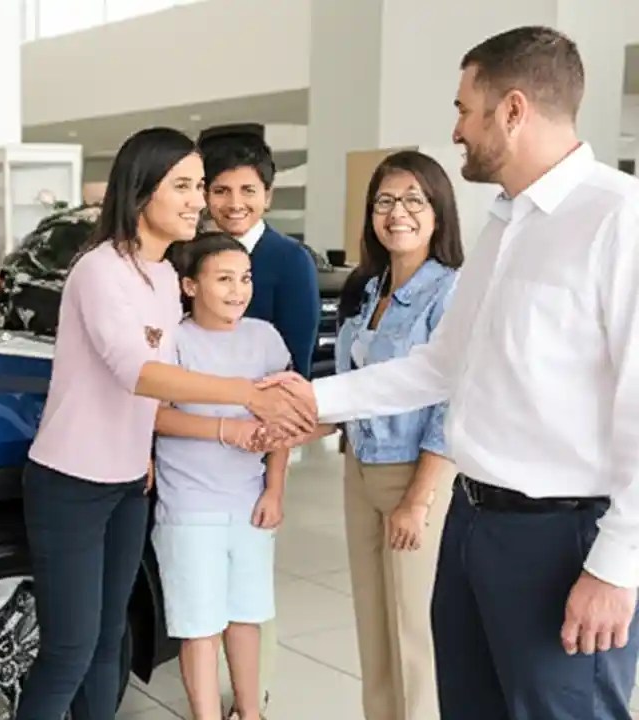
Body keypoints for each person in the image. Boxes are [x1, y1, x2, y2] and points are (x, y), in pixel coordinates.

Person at [272, 26, 639, 719]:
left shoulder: (618, 219)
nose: (457, 128)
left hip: (563, 539)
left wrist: (617, 568)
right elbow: (441, 366)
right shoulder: (506, 222)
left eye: (465, 109)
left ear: (513, 110)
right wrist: (312, 396)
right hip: (471, 525)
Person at [17, 127, 314, 720]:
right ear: (140, 191)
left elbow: (149, 395)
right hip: (71, 482)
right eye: (183, 186)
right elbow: (139, 373)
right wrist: (246, 397)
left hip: (129, 483)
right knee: (69, 651)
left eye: (198, 187)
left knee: (108, 644)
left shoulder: (160, 277)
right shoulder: (100, 271)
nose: (198, 201)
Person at [333, 150, 464, 720]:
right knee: (374, 628)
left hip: (416, 478)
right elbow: (355, 386)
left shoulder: (452, 291)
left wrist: (418, 499)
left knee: (415, 635)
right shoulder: (369, 290)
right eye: (385, 201)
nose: (397, 213)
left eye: (414, 200)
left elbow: (452, 403)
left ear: (438, 213)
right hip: (360, 466)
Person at [152, 232, 293, 720]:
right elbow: (154, 416)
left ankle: (250, 713)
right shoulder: (173, 340)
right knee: (200, 625)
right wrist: (226, 430)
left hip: (249, 501)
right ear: (190, 286)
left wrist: (275, 488)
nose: (238, 290)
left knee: (247, 616)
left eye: (245, 278)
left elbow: (285, 422)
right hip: (189, 506)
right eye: (224, 279)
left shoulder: (265, 338)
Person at [197, 124, 321, 378]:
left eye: (248, 190)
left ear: (268, 196)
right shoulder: (189, 254)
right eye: (221, 191)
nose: (235, 204)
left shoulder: (292, 260)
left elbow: (297, 361)